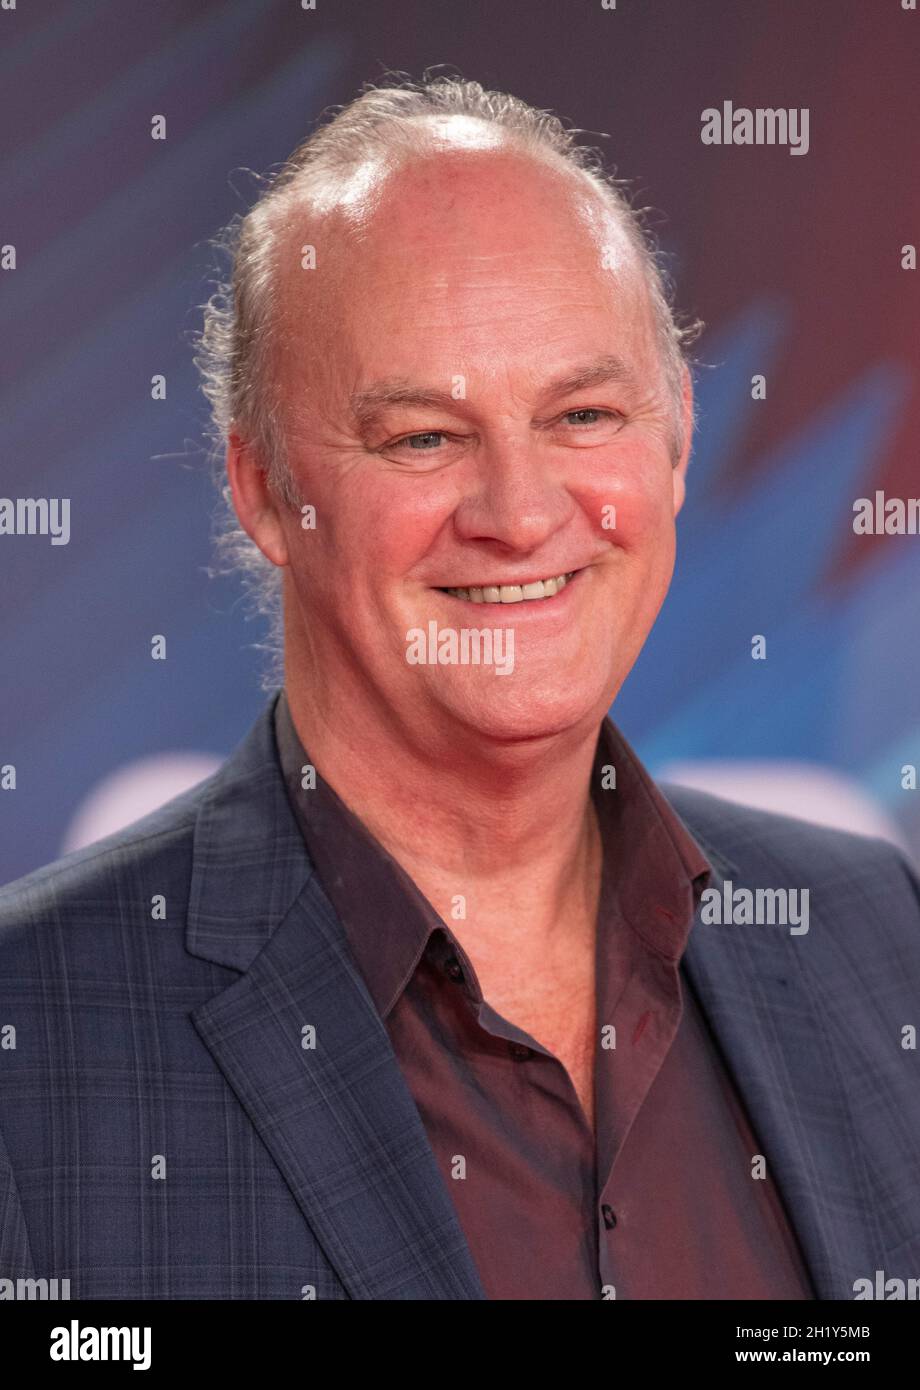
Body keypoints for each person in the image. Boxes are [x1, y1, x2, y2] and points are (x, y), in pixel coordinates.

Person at [2, 76, 919, 1302]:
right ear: (263, 487)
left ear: (679, 435)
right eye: (422, 437)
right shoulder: (32, 1036)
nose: (520, 512)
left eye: (583, 413)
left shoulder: (876, 933)